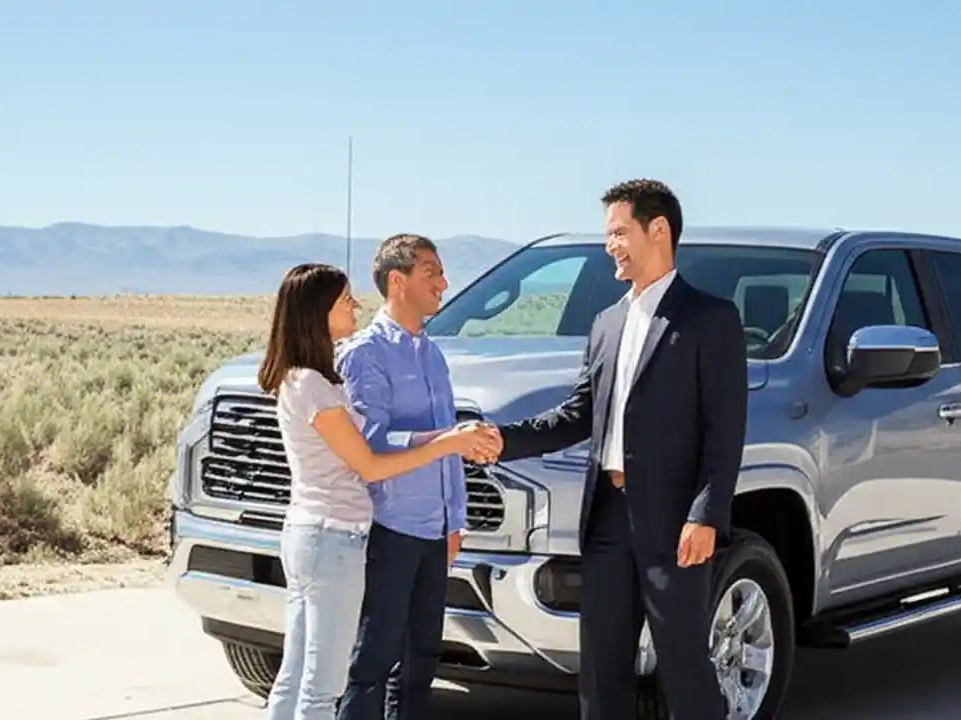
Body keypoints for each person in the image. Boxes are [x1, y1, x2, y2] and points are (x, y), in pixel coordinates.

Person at [471, 180, 748, 719]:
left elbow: (725, 429)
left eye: (619, 233)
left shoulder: (709, 319)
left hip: (675, 523)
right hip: (607, 519)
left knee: (684, 666)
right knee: (601, 670)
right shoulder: (606, 323)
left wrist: (706, 514)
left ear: (658, 230)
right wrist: (504, 441)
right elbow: (579, 414)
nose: (610, 246)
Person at [255, 262, 494, 720]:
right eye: (345, 299)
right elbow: (369, 462)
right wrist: (447, 445)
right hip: (333, 540)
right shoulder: (316, 387)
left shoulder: (305, 380)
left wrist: (452, 436)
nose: (355, 305)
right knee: (323, 688)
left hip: (312, 535)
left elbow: (380, 440)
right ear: (318, 311)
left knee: (296, 674)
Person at [336, 234, 492, 720]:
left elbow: (449, 448)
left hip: (434, 533)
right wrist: (450, 438)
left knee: (419, 663)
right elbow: (370, 443)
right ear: (397, 280)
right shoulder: (365, 354)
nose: (443, 283)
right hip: (389, 529)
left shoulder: (433, 354)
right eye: (431, 273)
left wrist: (455, 520)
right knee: (373, 660)